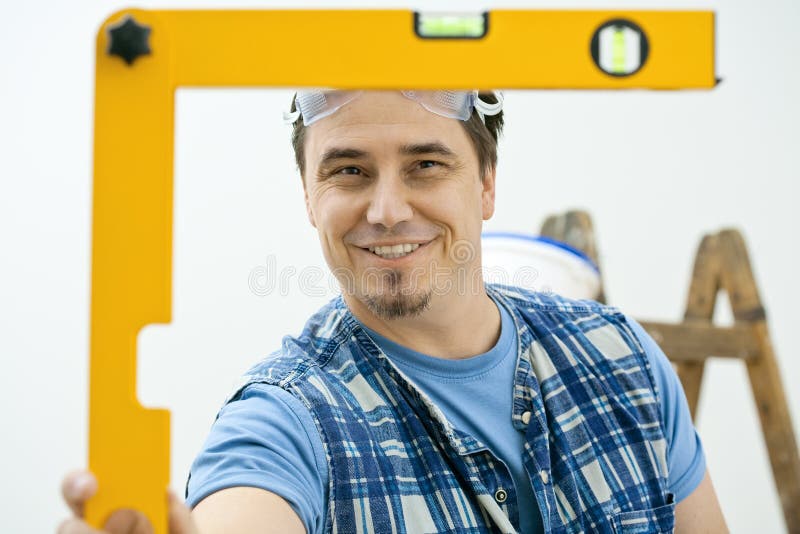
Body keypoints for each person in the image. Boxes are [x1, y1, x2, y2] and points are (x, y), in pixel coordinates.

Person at [59, 90, 728, 533]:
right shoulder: (284, 421)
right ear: (308, 195)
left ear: (487, 182)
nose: (387, 211)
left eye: (426, 165)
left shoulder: (619, 355)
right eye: (348, 171)